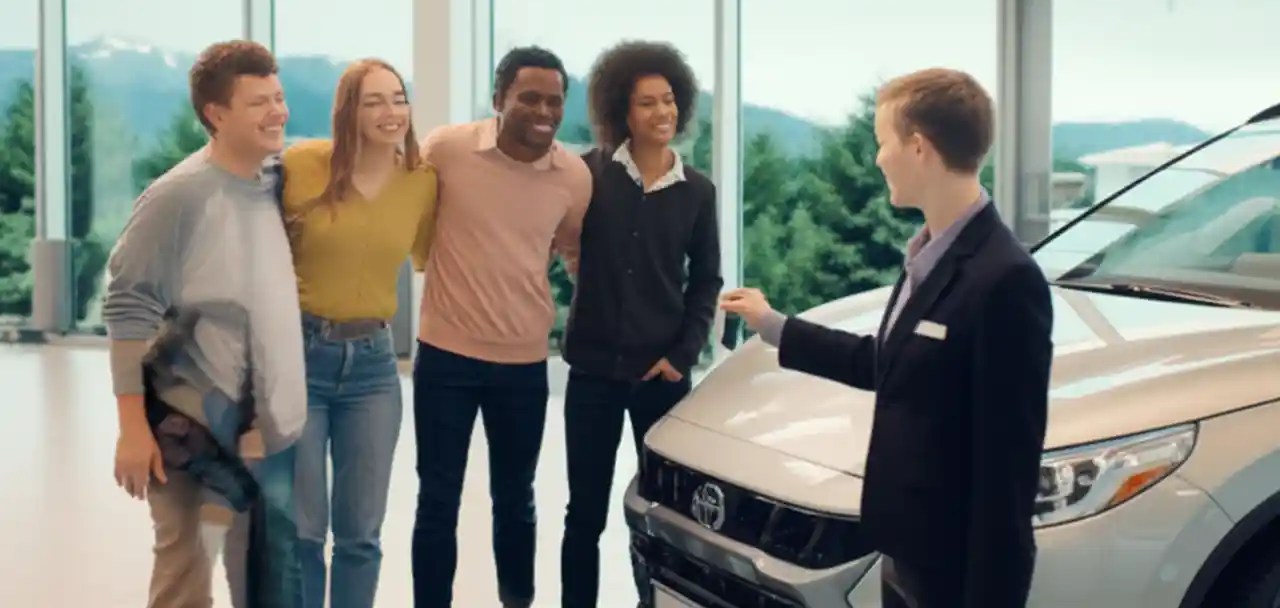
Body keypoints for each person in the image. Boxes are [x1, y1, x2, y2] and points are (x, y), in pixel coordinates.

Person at [720, 68, 1053, 608]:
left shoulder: (1006, 280)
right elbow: (891, 364)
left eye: (883, 143)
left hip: (953, 570)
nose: (877, 158)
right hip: (903, 550)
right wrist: (775, 326)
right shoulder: (928, 253)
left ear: (918, 147)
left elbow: (1007, 477)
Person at [104, 39, 307, 608]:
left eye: (280, 97)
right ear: (216, 115)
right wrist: (131, 428)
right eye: (259, 103)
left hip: (263, 430)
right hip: (187, 426)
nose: (279, 113)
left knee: (267, 574)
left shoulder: (272, 181)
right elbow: (127, 305)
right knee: (187, 573)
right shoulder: (178, 196)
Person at [410, 45, 593, 608]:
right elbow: (406, 207)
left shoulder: (574, 176)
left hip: (523, 362)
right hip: (445, 355)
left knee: (516, 500)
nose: (544, 111)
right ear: (498, 99)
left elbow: (576, 255)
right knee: (437, 499)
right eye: (530, 98)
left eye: (555, 101)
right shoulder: (446, 149)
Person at [558, 40, 722, 608]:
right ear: (621, 113)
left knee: (666, 518)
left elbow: (706, 282)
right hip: (594, 374)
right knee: (584, 513)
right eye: (647, 103)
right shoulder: (588, 174)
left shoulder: (698, 191)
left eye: (669, 101)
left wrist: (681, 356)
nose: (662, 113)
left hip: (663, 377)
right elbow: (554, 240)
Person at [281, 58, 438, 608]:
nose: (390, 112)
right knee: (302, 529)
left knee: (361, 534)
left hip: (373, 367)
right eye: (373, 101)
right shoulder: (301, 165)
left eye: (398, 98)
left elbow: (429, 257)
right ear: (348, 110)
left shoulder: (421, 182)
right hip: (299, 356)